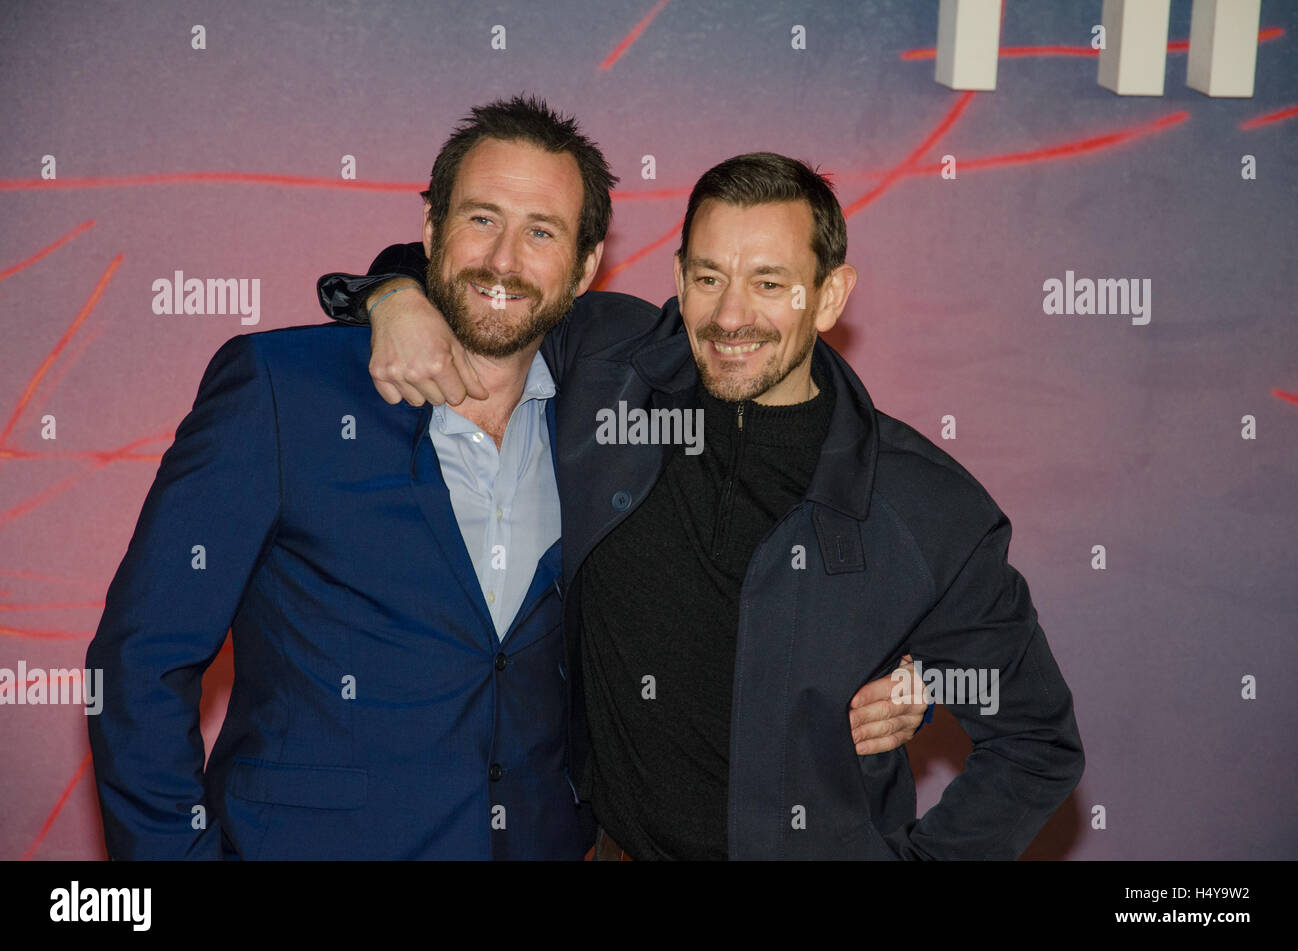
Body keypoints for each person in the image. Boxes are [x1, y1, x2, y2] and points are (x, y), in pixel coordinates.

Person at [88, 96, 919, 861]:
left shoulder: (615, 412)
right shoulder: (282, 390)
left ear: (589, 263)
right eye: (481, 218)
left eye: (543, 232)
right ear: (431, 226)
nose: (504, 258)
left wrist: (872, 647)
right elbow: (138, 660)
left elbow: (778, 410)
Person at [322, 149, 1085, 860]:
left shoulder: (925, 507)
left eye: (769, 282)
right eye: (710, 275)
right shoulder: (605, 369)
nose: (731, 316)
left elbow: (1036, 742)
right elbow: (489, 287)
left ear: (830, 296)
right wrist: (394, 295)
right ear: (679, 280)